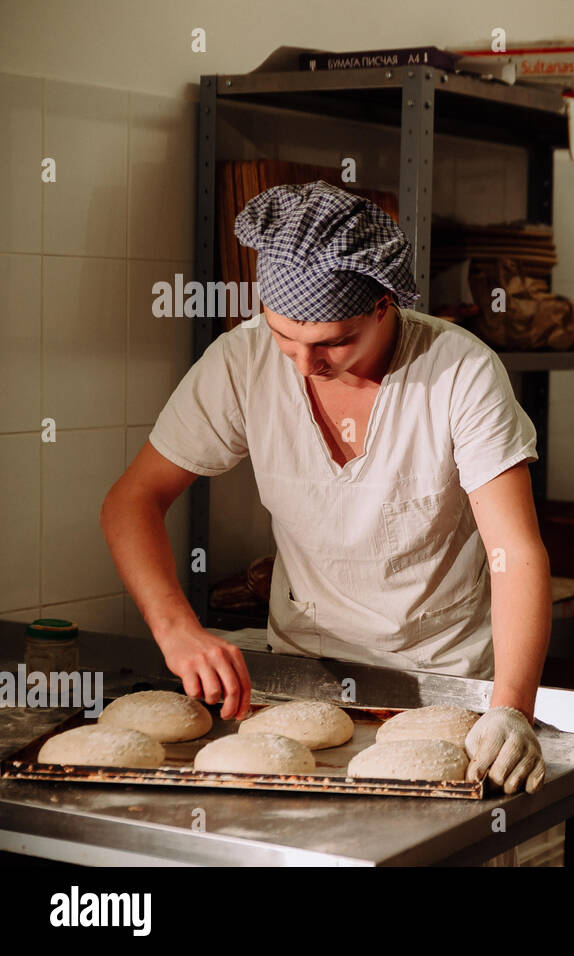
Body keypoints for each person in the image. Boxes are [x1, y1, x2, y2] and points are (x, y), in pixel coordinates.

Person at [101, 181, 551, 794]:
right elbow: (133, 500)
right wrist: (176, 628)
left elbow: (515, 552)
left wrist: (512, 708)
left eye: (334, 342)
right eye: (285, 337)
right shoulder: (242, 363)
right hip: (299, 680)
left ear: (383, 306)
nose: (304, 363)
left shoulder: (458, 372)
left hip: (445, 683)